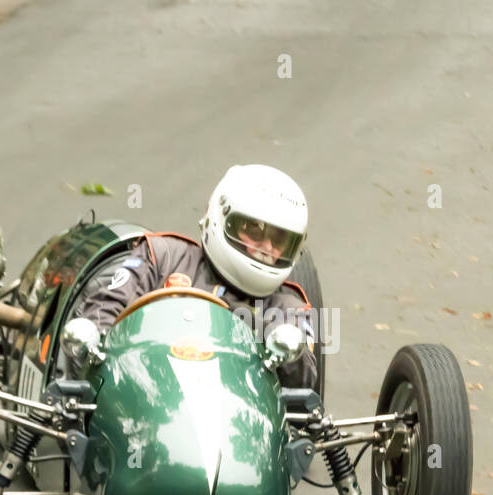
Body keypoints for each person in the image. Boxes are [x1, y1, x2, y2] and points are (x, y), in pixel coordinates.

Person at [66, 164, 318, 389]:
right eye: (254, 231)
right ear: (220, 217)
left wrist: (270, 335)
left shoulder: (290, 310)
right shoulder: (161, 256)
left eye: (280, 241)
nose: (267, 249)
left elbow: (304, 381)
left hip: (235, 423)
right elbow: (102, 309)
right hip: (143, 393)